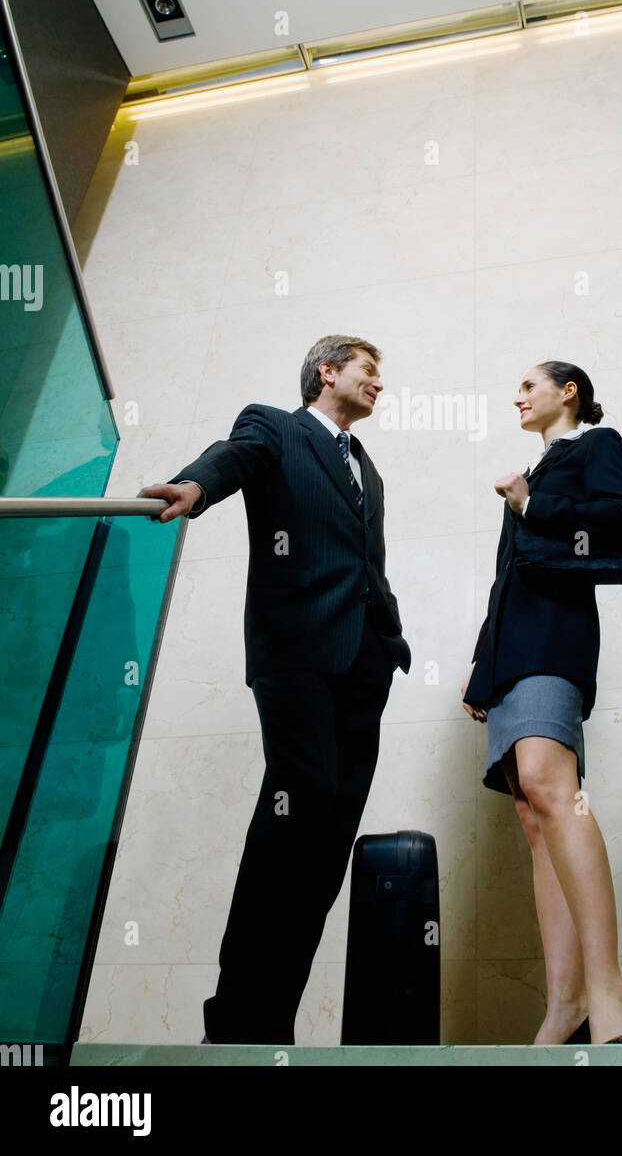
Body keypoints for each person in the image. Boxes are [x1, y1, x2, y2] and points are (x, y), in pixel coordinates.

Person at [140, 334, 410, 1043]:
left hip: (364, 665)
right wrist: (194, 487)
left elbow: (364, 561)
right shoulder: (276, 425)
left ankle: (269, 1024)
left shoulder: (368, 471)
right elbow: (235, 458)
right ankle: (235, 1023)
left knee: (326, 844)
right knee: (299, 809)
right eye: (368, 370)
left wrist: (390, 638)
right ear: (327, 372)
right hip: (296, 653)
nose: (380, 382)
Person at [462, 360, 622, 1046]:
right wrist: (483, 668)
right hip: (510, 650)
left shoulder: (599, 445)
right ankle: (565, 1004)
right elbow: (506, 579)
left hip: (556, 637)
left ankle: (609, 991)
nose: (517, 396)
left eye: (528, 386)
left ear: (567, 393)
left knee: (551, 784)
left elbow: (617, 520)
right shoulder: (530, 475)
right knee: (533, 812)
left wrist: (533, 507)